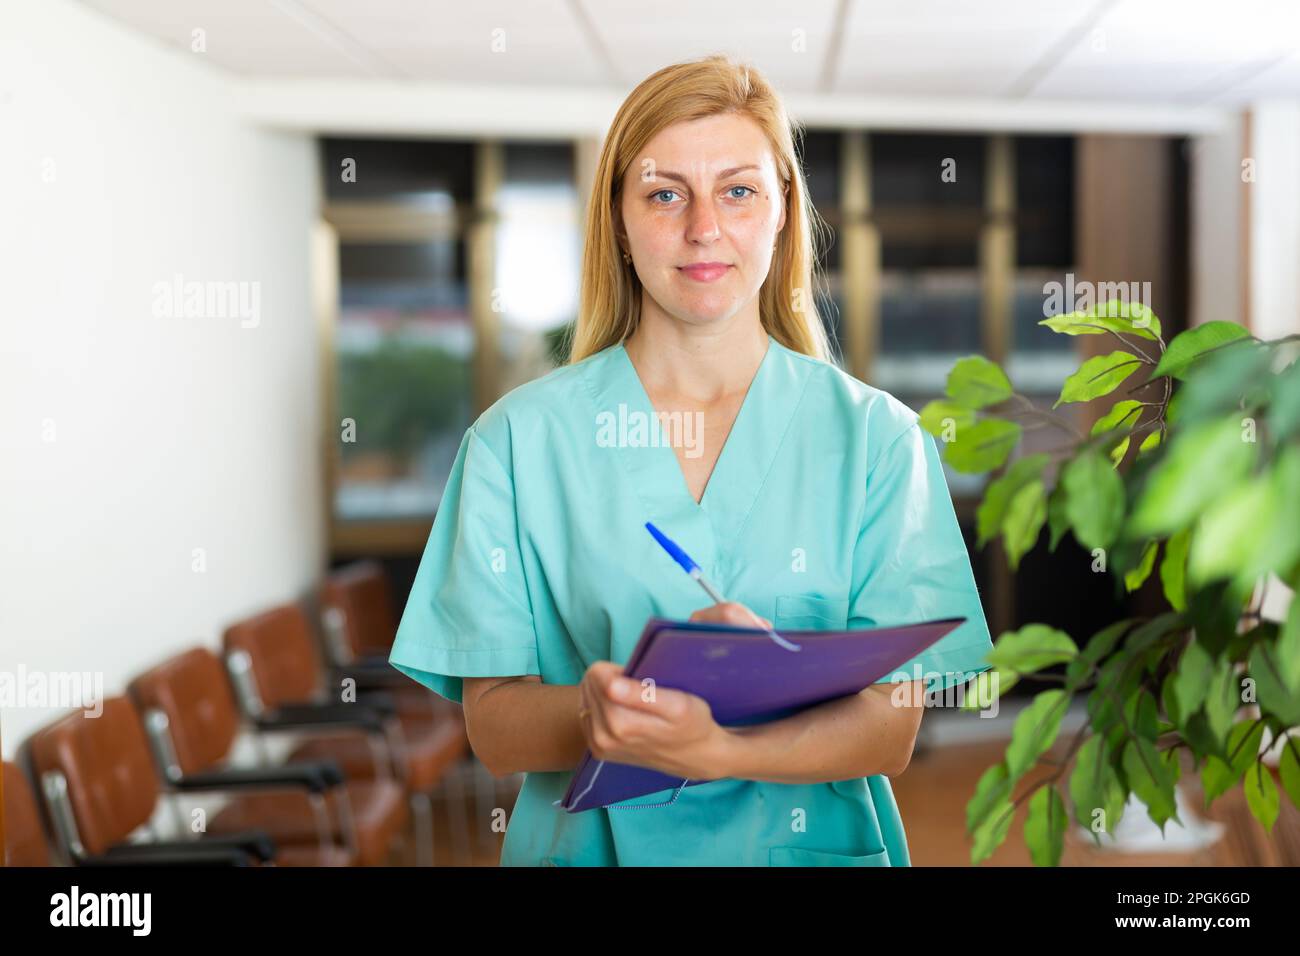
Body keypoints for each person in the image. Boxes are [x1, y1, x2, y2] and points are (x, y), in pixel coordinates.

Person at [389, 54, 993, 866]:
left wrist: (721, 751)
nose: (704, 227)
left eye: (738, 191)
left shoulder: (879, 441)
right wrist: (603, 710)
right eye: (665, 192)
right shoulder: (516, 442)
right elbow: (495, 725)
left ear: (781, 213)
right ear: (620, 222)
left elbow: (893, 726)